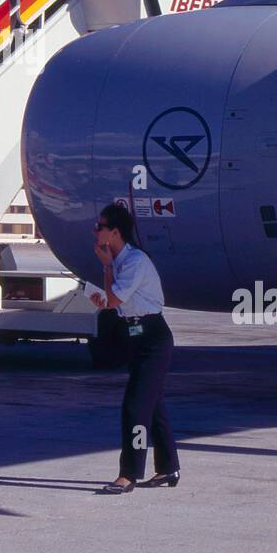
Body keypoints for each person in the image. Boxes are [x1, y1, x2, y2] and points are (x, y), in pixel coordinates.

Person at [89, 201, 179, 494]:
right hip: (135, 335)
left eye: (100, 227)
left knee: (135, 406)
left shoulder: (135, 261)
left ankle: (128, 474)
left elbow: (115, 299)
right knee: (152, 405)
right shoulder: (118, 261)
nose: (96, 231)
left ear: (115, 232)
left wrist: (106, 271)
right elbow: (114, 303)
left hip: (153, 338)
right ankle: (168, 468)